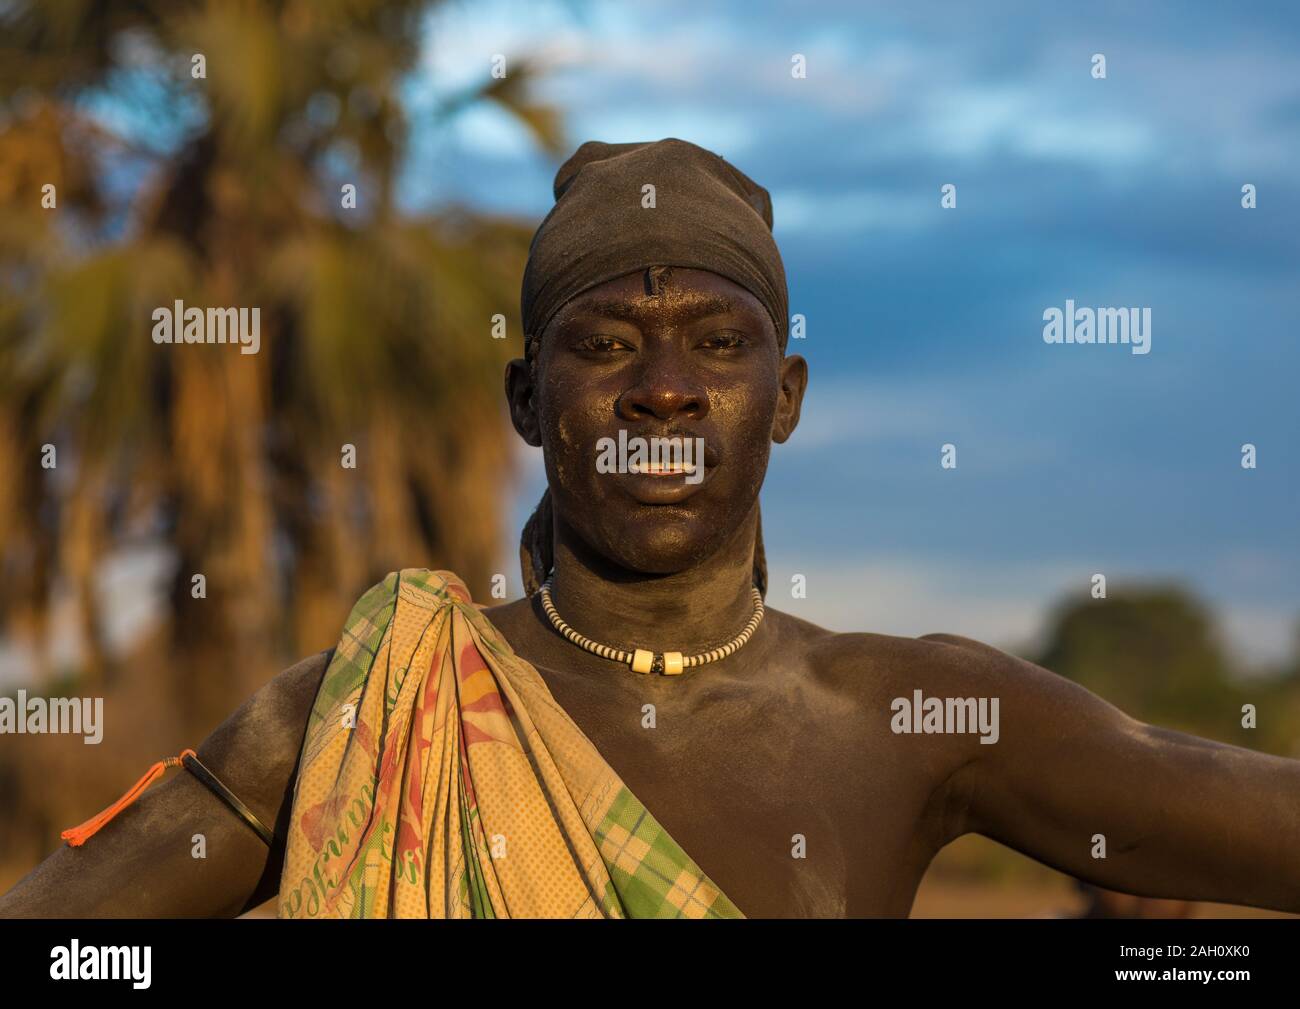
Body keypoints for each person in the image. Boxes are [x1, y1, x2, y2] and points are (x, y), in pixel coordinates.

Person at [2, 139, 1298, 918]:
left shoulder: (905, 716)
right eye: (607, 344)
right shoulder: (371, 710)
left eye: (719, 346)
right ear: (528, 398)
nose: (665, 385)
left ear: (782, 398)